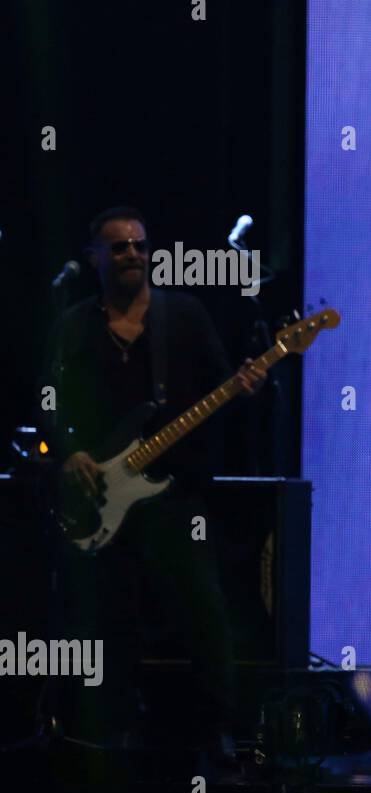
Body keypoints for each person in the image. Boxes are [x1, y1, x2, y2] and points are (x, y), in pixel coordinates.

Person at [41, 205, 266, 764]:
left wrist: (249, 385)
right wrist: (69, 454)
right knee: (109, 621)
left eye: (140, 246)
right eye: (118, 248)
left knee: (202, 611)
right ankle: (108, 734)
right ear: (94, 257)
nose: (132, 256)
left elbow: (223, 386)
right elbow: (49, 403)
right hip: (100, 498)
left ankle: (216, 732)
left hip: (174, 493)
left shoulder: (183, 316)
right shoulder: (73, 324)